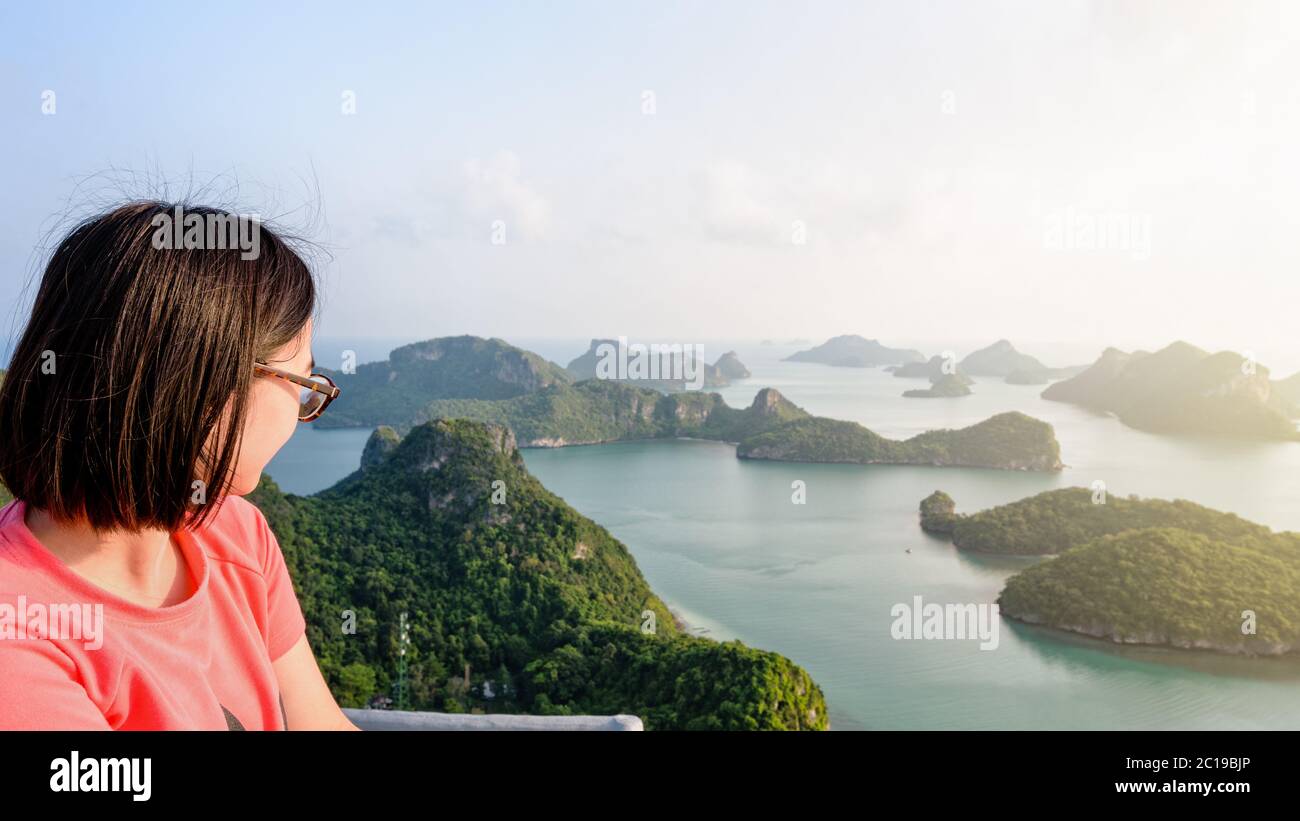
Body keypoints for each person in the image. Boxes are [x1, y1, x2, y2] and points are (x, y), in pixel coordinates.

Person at [0, 201, 360, 730]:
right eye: (303, 385)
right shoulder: (22, 646)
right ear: (209, 386)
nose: (302, 411)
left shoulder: (237, 535)